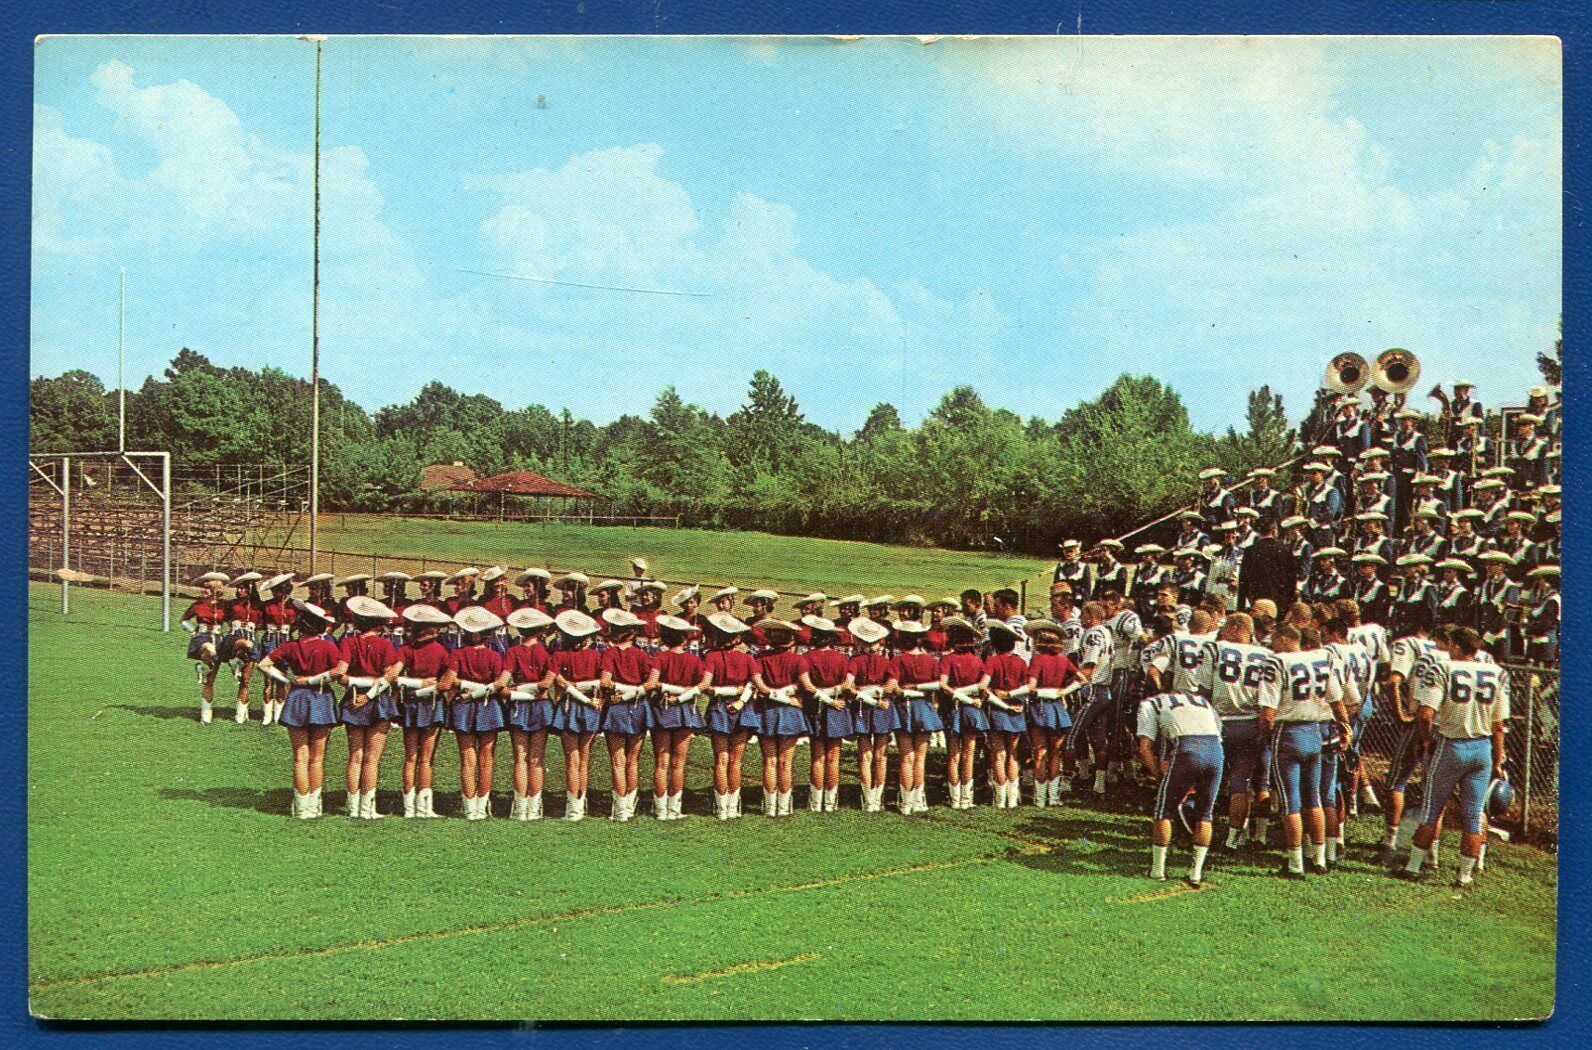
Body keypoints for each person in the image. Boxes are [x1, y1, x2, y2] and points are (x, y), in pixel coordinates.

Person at [1403, 628, 1509, 885]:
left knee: (1431, 809)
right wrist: (1498, 756)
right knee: (1473, 815)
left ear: (1459, 647)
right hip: (1482, 748)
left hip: (1451, 745)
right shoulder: (1497, 673)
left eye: (1451, 644)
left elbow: (1425, 714)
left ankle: (1413, 867)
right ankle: (1465, 875)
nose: (1448, 649)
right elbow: (1498, 724)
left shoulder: (1443, 668)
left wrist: (1426, 740)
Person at [1260, 625, 1353, 878]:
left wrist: (1265, 736)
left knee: (1291, 802)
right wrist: (1346, 729)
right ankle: (1320, 859)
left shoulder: (1277, 662)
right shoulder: (1321, 658)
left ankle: (1295, 864)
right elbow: (1337, 701)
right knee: (1315, 799)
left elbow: (1268, 715)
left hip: (1288, 732)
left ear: (1283, 638)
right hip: (1315, 732)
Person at [257, 601, 346, 818]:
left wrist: (285, 679)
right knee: (317, 758)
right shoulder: (329, 646)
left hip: (296, 698)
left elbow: (263, 665)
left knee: (300, 757)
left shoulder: (290, 647)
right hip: (321, 698)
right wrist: (317, 678)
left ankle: (300, 806)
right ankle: (315, 806)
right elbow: (340, 670)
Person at [1194, 613, 1275, 850]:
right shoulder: (1267, 655)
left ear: (1232, 627)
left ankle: (1199, 829)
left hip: (1218, 722)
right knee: (1241, 784)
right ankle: (1232, 839)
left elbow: (1203, 691)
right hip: (1251, 723)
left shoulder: (1214, 648)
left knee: (1209, 779)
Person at [1136, 686, 1224, 887]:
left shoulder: (1150, 703)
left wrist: (1159, 777)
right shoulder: (1202, 701)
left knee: (1163, 810)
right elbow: (1217, 734)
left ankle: (1158, 870)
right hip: (1215, 751)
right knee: (1205, 813)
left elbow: (1145, 748)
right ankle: (1196, 873)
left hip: (1186, 748)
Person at [1378, 607, 1441, 859]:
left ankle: (1389, 840)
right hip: (1441, 721)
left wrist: (1400, 712)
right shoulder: (1440, 648)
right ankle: (1432, 852)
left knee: (1396, 780)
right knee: (1434, 786)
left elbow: (1394, 680)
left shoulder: (1406, 644)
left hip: (1419, 717)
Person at [336, 595, 402, 819]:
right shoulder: (385, 644)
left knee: (355, 756)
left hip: (353, 698)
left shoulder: (347, 642)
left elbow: (341, 676)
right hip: (379, 701)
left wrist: (357, 684)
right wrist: (371, 688)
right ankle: (367, 808)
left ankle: (352, 806)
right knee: (372, 758)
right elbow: (389, 676)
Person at [393, 603, 455, 818]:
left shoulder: (405, 650)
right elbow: (448, 682)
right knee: (426, 758)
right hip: (431, 704)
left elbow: (393, 677)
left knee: (410, 756)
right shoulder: (441, 650)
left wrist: (413, 684)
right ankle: (424, 808)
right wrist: (429, 685)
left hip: (410, 703)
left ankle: (408, 808)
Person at [448, 606, 507, 820]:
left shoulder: (457, 653)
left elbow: (450, 681)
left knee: (467, 758)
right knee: (486, 758)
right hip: (487, 705)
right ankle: (482, 806)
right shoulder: (493, 656)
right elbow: (499, 685)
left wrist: (466, 687)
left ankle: (469, 807)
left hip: (463, 706)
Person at [598, 608, 656, 822]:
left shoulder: (610, 653)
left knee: (618, 760)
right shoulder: (642, 655)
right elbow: (650, 684)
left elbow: (605, 681)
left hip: (617, 709)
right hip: (639, 707)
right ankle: (630, 806)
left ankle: (620, 809)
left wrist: (620, 690)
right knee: (633, 760)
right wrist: (634, 691)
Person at [748, 618, 810, 817]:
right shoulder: (798, 660)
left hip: (767, 712)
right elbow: (804, 685)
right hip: (790, 712)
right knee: (785, 762)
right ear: (790, 640)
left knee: (769, 761)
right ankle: (783, 807)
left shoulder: (761, 657)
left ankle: (769, 806)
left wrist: (773, 693)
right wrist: (788, 693)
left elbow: (757, 683)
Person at [701, 611, 757, 819]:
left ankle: (722, 808)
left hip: (719, 709)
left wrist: (721, 691)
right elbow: (755, 684)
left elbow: (706, 686)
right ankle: (733, 807)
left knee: (721, 760)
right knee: (736, 761)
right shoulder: (748, 658)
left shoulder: (712, 656)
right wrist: (740, 697)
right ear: (737, 638)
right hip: (742, 709)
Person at [649, 615, 705, 820]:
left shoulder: (659, 658)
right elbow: (702, 686)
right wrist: (683, 693)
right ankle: (674, 809)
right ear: (684, 638)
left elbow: (653, 683)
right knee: (678, 763)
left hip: (663, 710)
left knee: (661, 762)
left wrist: (667, 688)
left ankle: (661, 809)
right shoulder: (694, 660)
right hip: (685, 711)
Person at [503, 607, 556, 821]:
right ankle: (534, 808)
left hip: (519, 707)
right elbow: (545, 685)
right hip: (540, 706)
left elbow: (503, 685)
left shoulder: (512, 652)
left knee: (520, 758)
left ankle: (520, 808)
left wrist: (516, 689)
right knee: (537, 759)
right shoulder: (546, 653)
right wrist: (533, 689)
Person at [1024, 619, 1084, 806]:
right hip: (1058, 707)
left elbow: (1031, 687)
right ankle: (1053, 797)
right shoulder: (1064, 660)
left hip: (1040, 707)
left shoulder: (1037, 660)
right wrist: (1062, 691)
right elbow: (1082, 679)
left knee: (1040, 752)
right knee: (1056, 753)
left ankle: (1040, 799)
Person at [551, 609, 603, 821]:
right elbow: (603, 682)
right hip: (590, 707)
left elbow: (557, 682)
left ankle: (573, 809)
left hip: (569, 707)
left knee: (572, 760)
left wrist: (570, 685)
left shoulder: (559, 655)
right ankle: (580, 806)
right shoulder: (595, 655)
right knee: (584, 758)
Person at [886, 620, 942, 814]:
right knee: (920, 758)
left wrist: (899, 691)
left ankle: (906, 802)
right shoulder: (931, 661)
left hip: (904, 708)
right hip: (924, 708)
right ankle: (919, 800)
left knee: (906, 758)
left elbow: (892, 686)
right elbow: (939, 686)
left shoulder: (898, 660)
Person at [798, 616, 851, 813]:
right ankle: (830, 801)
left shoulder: (807, 658)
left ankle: (815, 800)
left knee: (817, 757)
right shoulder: (840, 658)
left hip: (815, 708)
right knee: (833, 757)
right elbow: (846, 684)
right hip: (835, 708)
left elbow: (807, 688)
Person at [939, 616, 990, 810]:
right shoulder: (978, 662)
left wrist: (957, 693)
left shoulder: (947, 660)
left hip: (954, 709)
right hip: (971, 710)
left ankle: (954, 798)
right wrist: (976, 698)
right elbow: (984, 688)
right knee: (969, 754)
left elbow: (944, 685)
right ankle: (966, 798)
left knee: (953, 754)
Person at [1067, 601, 1116, 796]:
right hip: (1104, 691)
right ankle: (1099, 784)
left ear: (1091, 616)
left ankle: (1065, 779)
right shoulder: (1105, 632)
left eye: (1083, 615)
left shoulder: (1094, 634)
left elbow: (1089, 665)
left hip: (1092, 690)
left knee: (1070, 736)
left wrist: (1074, 685)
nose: (1080, 618)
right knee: (1099, 740)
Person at [983, 621, 1031, 809]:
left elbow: (983, 686)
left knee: (998, 755)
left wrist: (997, 695)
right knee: (1013, 754)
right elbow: (1028, 687)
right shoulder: (1020, 662)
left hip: (997, 710)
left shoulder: (992, 661)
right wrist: (1012, 695)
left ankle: (1000, 798)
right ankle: (1012, 798)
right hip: (1017, 708)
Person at [180, 572, 231, 724]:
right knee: (209, 648)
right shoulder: (197, 605)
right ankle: (206, 666)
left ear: (215, 590)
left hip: (218, 639)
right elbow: (183, 620)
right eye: (203, 588)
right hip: (201, 639)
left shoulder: (224, 606)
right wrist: (193, 631)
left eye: (207, 588)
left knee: (209, 681)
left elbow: (231, 620)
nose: (203, 591)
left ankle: (206, 715)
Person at [222, 571, 264, 723]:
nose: (239, 590)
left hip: (251, 637)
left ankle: (240, 713)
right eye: (238, 588)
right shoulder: (232, 604)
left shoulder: (257, 607)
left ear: (249, 589)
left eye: (243, 588)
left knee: (245, 680)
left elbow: (261, 624)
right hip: (235, 638)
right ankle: (233, 662)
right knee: (245, 645)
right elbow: (225, 618)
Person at [256, 573, 298, 725]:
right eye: (274, 590)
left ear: (286, 589)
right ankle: (267, 715)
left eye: (278, 590)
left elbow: (299, 622)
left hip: (285, 641)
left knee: (282, 677)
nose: (275, 593)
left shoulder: (294, 605)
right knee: (268, 678)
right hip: (269, 640)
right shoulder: (267, 605)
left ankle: (278, 715)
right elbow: (260, 622)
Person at [1237, 514, 1295, 610]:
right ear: (1274, 531)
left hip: (1256, 602)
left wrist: (1241, 607)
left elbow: (1243, 582)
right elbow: (1291, 581)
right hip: (1280, 604)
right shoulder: (1285, 551)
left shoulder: (1250, 551)